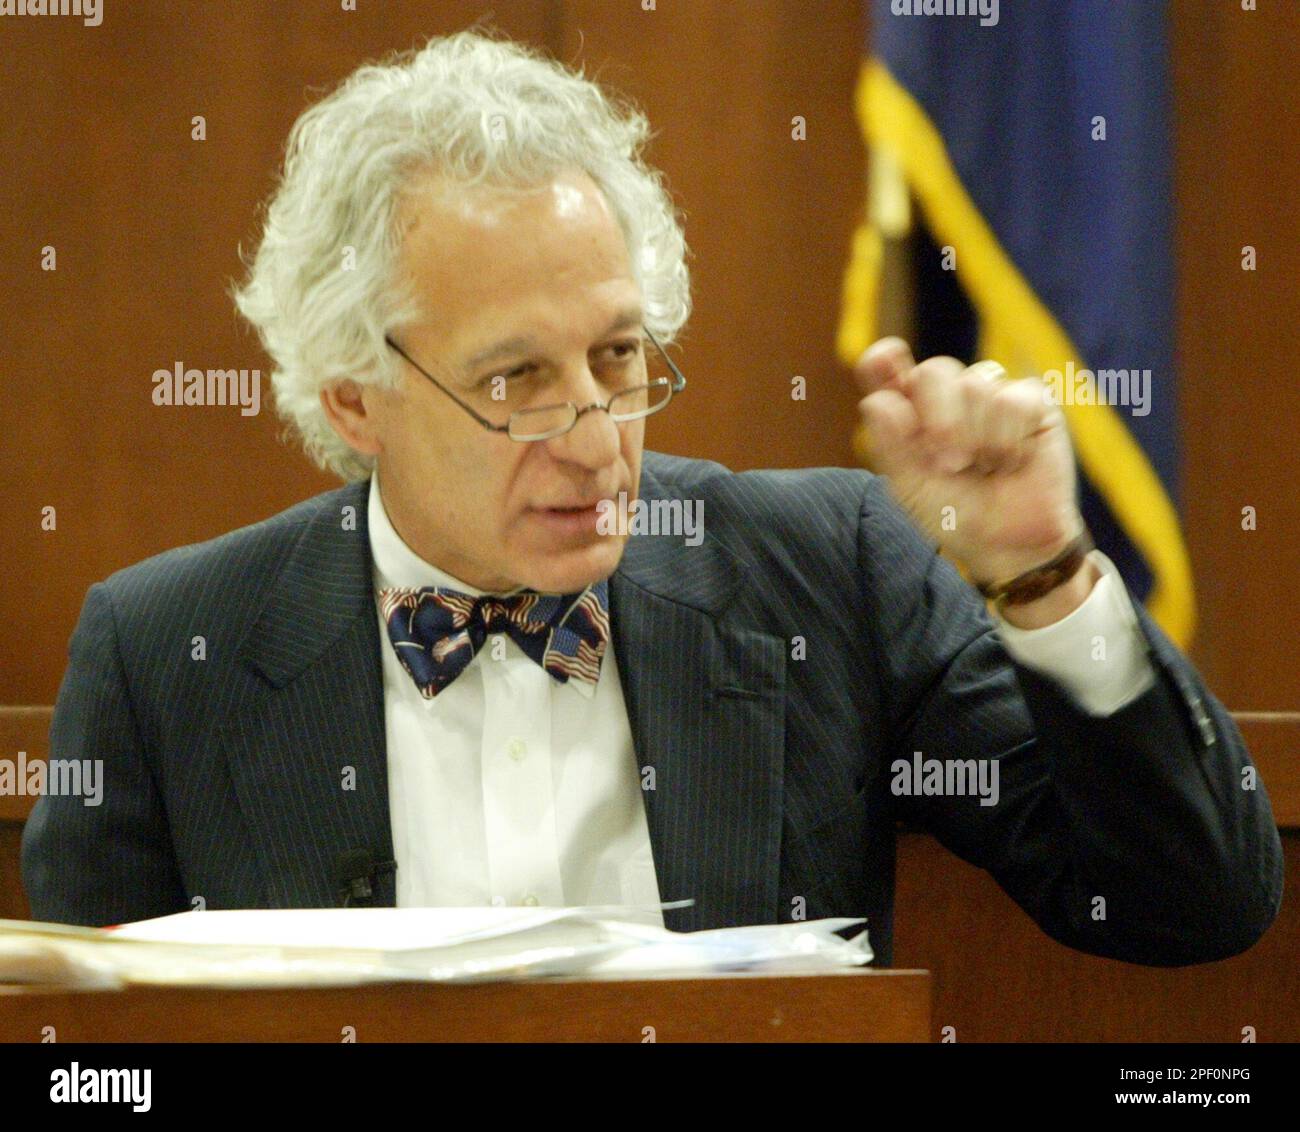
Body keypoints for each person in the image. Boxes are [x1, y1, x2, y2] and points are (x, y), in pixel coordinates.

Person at [21, 29, 1281, 966]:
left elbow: (1191, 906)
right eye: (516, 379)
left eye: (618, 358)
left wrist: (1045, 578)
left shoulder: (827, 572)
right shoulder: (162, 655)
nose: (594, 441)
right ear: (355, 399)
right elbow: (86, 1070)